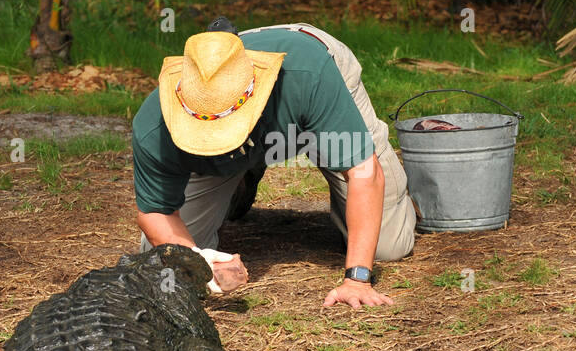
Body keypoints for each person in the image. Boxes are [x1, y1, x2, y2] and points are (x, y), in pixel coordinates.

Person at [131, 18, 416, 309]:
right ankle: (243, 172)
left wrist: (357, 279)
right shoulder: (154, 125)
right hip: (250, 113)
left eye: (228, 131)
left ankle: (405, 189)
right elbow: (155, 212)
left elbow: (364, 173)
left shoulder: (308, 75)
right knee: (169, 257)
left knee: (388, 245)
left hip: (311, 73)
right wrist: (197, 259)